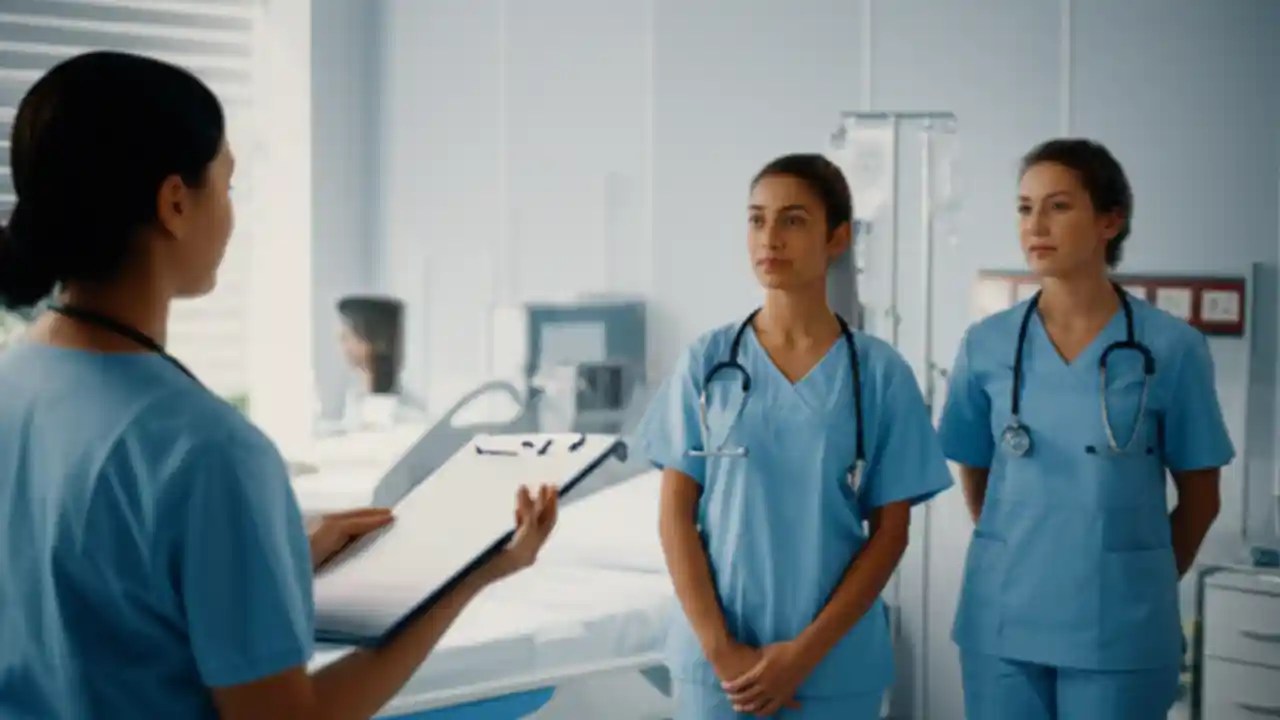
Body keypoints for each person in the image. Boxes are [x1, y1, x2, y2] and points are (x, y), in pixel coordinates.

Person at [0, 51, 559, 720]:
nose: (232, 216)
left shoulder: (18, 382)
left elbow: (96, 590)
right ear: (175, 202)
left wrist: (279, 553)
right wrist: (470, 576)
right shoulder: (209, 451)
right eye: (228, 186)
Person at [633, 153, 954, 719]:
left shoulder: (878, 375)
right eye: (757, 219)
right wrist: (720, 650)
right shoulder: (708, 363)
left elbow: (889, 535)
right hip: (718, 671)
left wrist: (802, 657)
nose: (770, 237)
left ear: (837, 237)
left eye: (793, 220)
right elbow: (675, 517)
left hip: (831, 668)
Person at [938, 138, 1233, 719]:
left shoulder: (1172, 348)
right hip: (1003, 620)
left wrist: (1135, 579)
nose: (1035, 225)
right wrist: (1022, 549)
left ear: (1110, 220)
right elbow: (976, 468)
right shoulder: (987, 345)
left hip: (1119, 629)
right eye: (1024, 208)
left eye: (1059, 206)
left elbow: (1201, 498)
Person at [334, 294, 426, 431]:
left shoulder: (407, 413)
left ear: (372, 341)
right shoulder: (354, 399)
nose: (342, 346)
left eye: (346, 337)